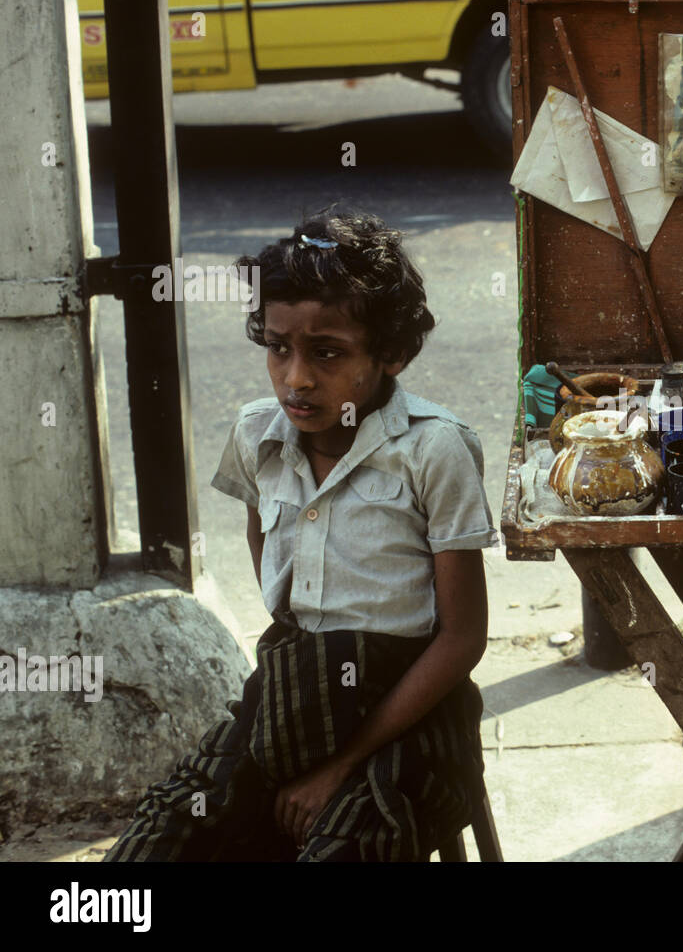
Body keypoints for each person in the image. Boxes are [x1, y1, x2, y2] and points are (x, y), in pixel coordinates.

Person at [105, 206, 495, 862]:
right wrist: (298, 726)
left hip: (410, 714)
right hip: (289, 698)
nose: (297, 377)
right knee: (158, 844)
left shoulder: (433, 450)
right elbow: (271, 567)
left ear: (392, 353)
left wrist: (340, 763)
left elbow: (462, 638)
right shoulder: (257, 435)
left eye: (327, 352)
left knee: (351, 843)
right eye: (278, 347)